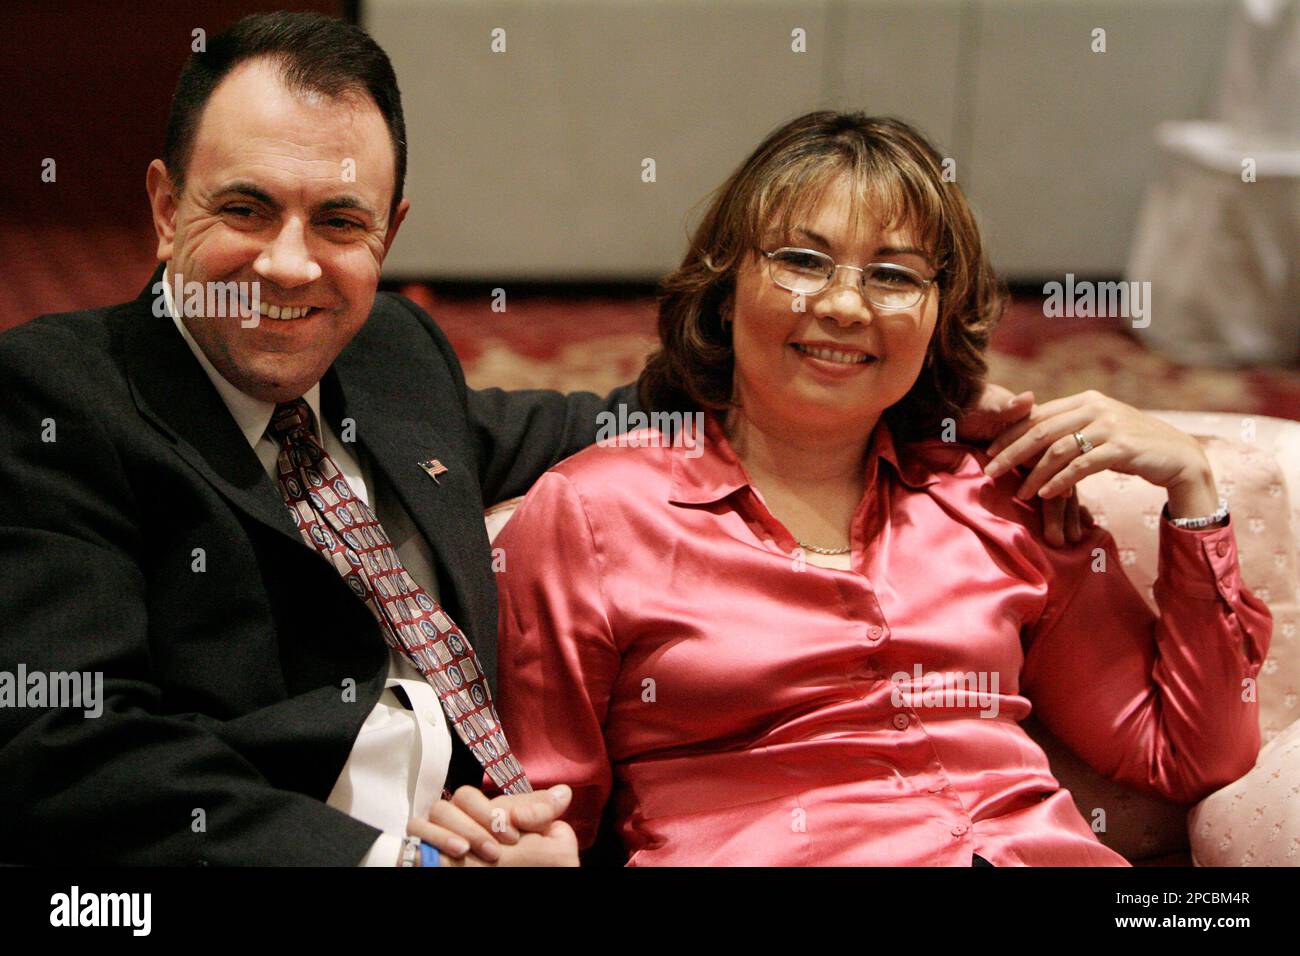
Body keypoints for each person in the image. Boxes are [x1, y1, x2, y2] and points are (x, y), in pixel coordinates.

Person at [0, 14, 1053, 867]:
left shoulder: (389, 352)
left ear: (390, 235)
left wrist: (907, 390)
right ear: (160, 205)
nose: (289, 265)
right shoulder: (62, 398)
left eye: (337, 221)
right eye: (244, 208)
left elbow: (613, 417)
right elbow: (67, 744)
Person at [493, 112, 1274, 866]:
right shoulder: (595, 515)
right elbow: (552, 812)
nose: (842, 305)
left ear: (937, 317)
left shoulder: (996, 497)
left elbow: (1189, 755)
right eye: (802, 261)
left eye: (893, 276)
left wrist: (1193, 492)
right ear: (725, 287)